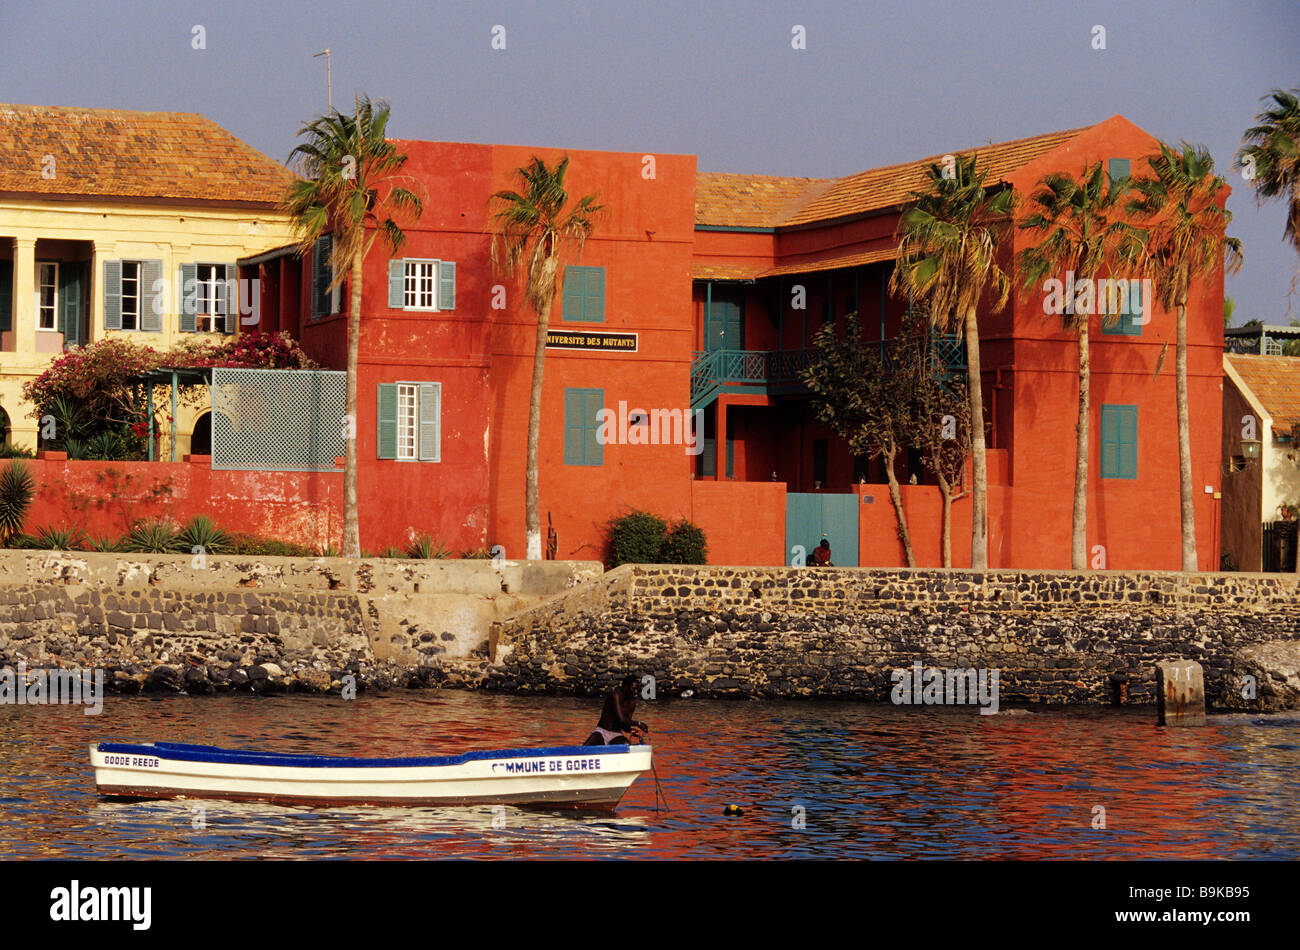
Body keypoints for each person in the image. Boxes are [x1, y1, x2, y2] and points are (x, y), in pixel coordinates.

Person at [583, 674, 648, 745]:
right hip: (602, 732)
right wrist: (638, 724)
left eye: (637, 689)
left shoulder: (632, 703)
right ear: (625, 687)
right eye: (633, 688)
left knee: (626, 743)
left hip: (616, 734)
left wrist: (631, 731)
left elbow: (626, 724)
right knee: (584, 749)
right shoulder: (615, 695)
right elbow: (622, 719)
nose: (635, 692)